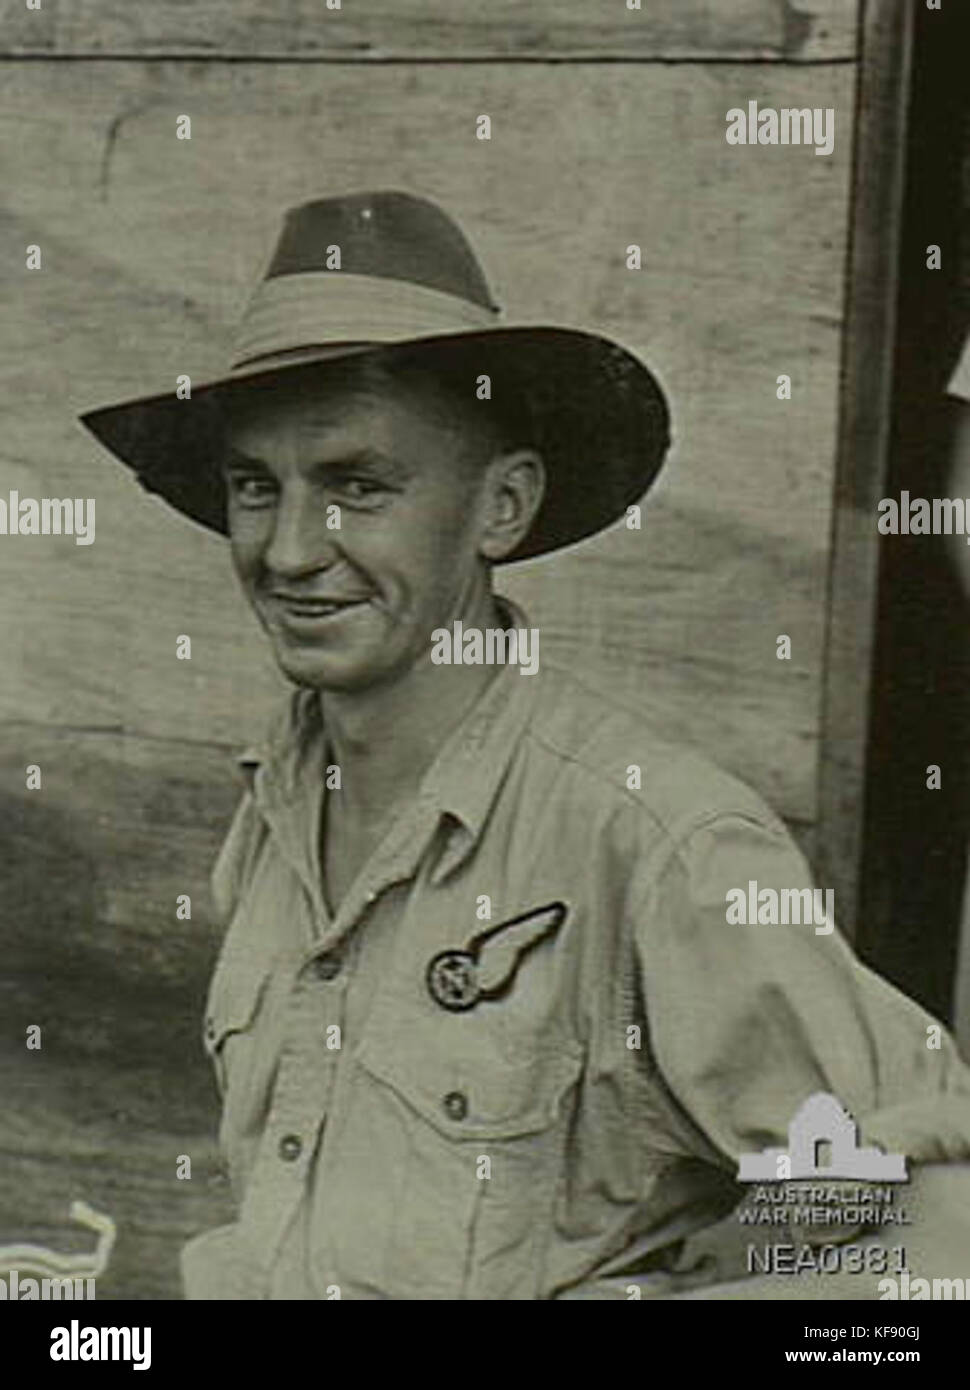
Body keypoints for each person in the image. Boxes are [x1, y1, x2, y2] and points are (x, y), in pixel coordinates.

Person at [82, 190, 970, 1300]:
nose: (292, 548)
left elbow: (941, 1237)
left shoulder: (657, 841)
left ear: (501, 508)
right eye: (257, 488)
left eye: (358, 485)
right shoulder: (273, 808)